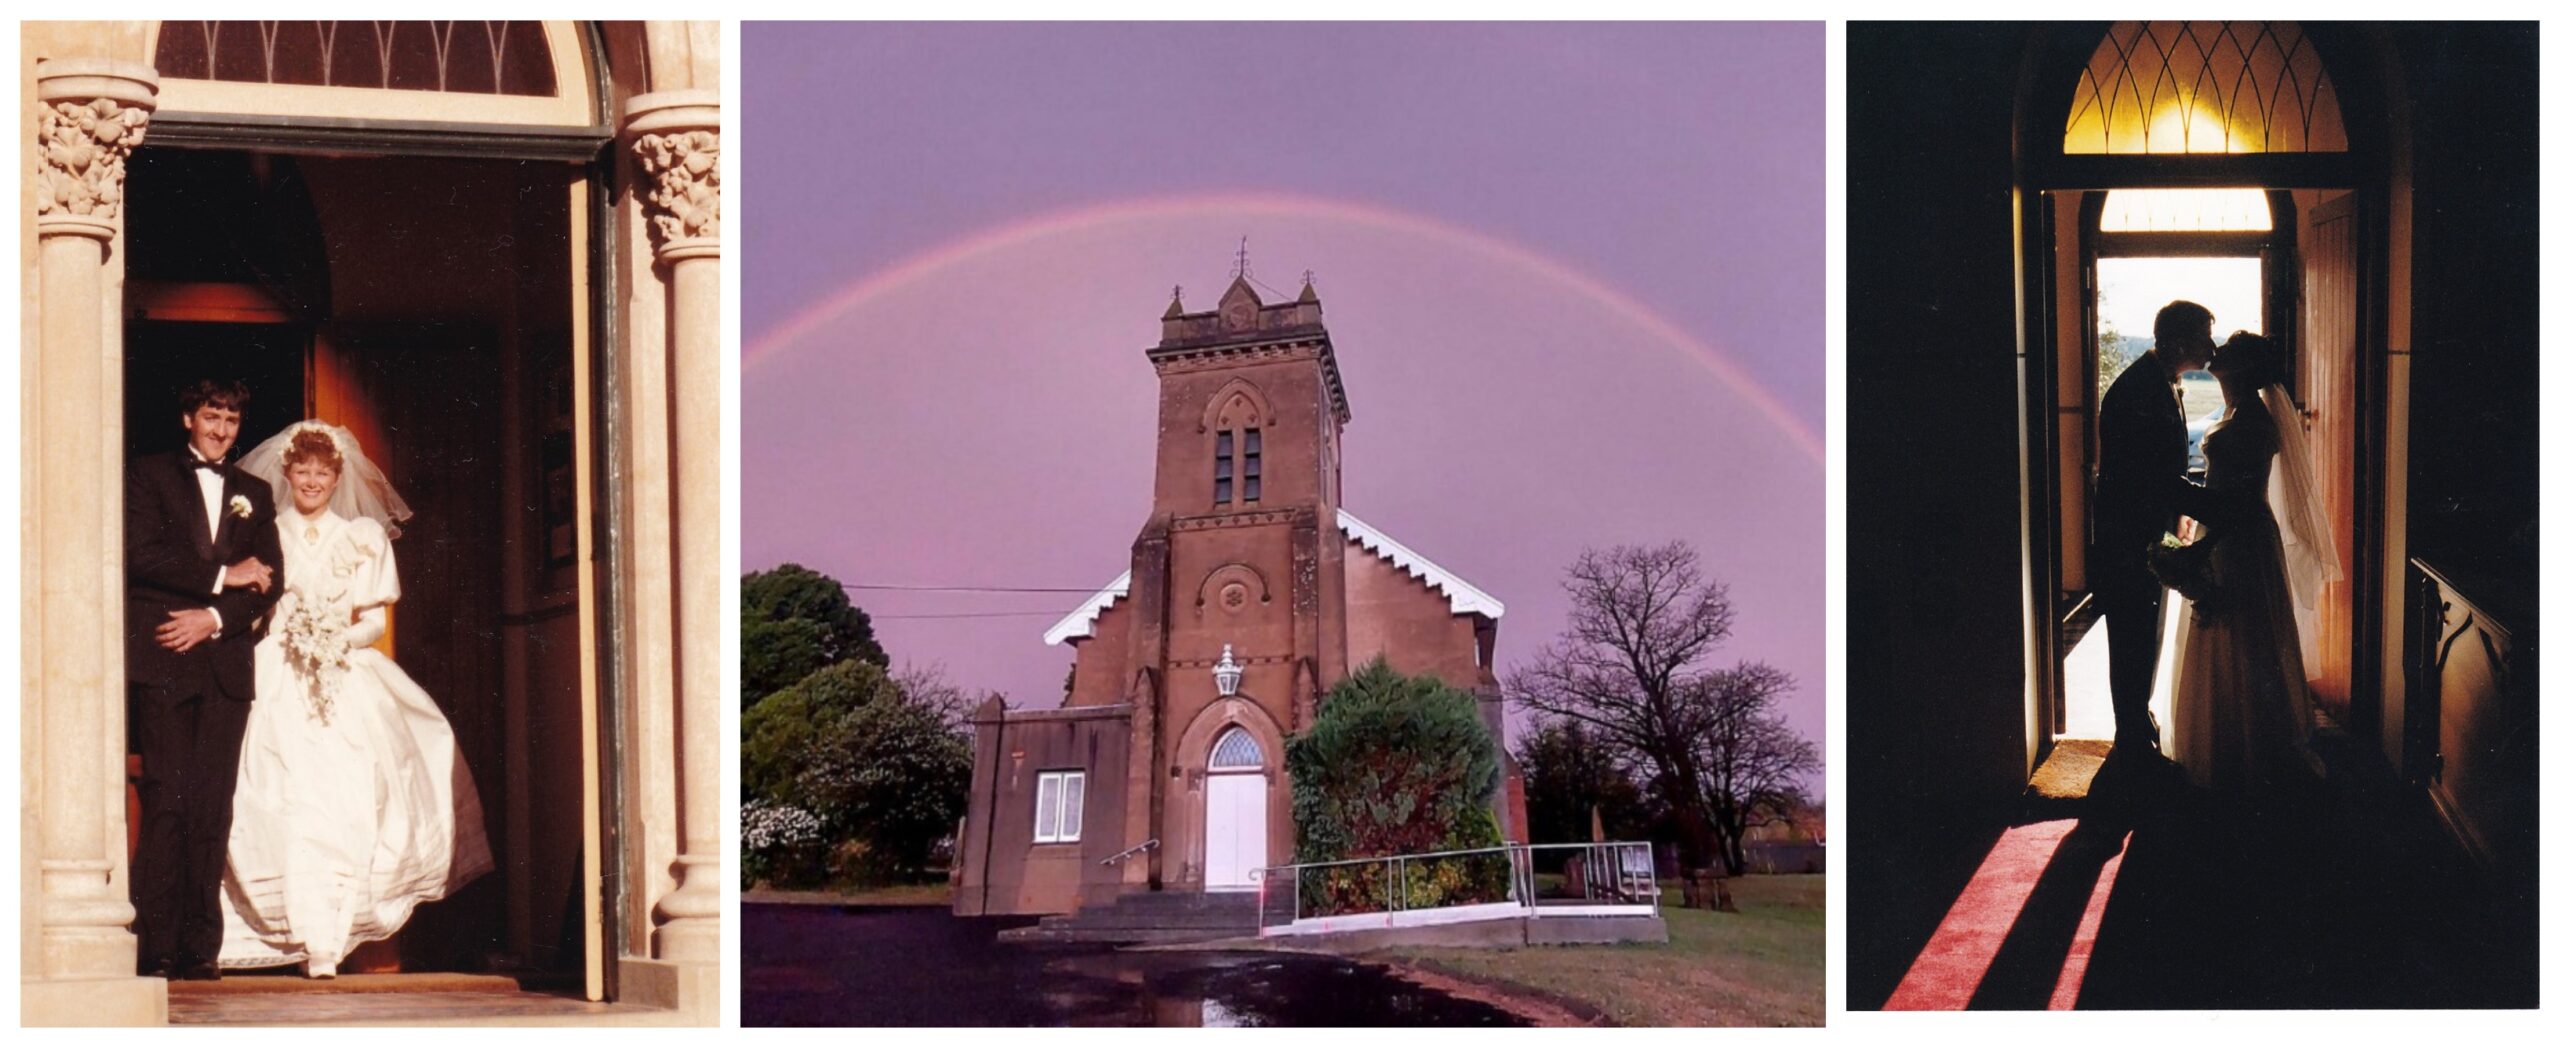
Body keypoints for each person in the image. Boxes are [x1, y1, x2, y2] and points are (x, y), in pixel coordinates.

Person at [217, 421, 492, 978]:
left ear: (336, 476)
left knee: (350, 795)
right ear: (287, 475)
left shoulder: (362, 536)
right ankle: (284, 930)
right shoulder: (266, 532)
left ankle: (335, 932)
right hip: (279, 673)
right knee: (278, 794)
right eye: (302, 471)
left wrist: (336, 637)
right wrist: (291, 635)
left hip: (342, 673)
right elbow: (254, 609)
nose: (312, 480)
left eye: (322, 471)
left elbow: (373, 621)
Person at [127, 378, 285, 982]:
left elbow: (272, 577)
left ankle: (201, 950)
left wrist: (215, 619)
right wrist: (221, 581)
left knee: (213, 808)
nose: (221, 430)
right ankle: (156, 946)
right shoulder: (148, 474)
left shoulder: (256, 491)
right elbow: (141, 556)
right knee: (167, 799)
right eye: (212, 416)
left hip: (223, 667)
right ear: (188, 417)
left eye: (232, 420)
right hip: (165, 656)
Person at [2164, 333, 2339, 791]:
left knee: (2242, 634)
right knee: (2224, 634)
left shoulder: (2254, 423)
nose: (2216, 351)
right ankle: (2222, 743)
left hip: (2239, 537)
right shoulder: (2235, 412)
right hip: (2222, 530)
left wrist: (2201, 549)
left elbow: (2240, 500)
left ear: (2242, 369)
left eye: (2229, 350)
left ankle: (2249, 752)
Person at [2091, 301, 2226, 753]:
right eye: (2205, 336)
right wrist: (2216, 506)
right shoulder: (2138, 391)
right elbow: (2150, 477)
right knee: (2131, 636)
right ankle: (2130, 738)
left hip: (2147, 531)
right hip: (2127, 538)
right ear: (2180, 340)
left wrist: (2186, 510)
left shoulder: (2161, 383)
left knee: (2143, 633)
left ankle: (2136, 723)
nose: (2211, 346)